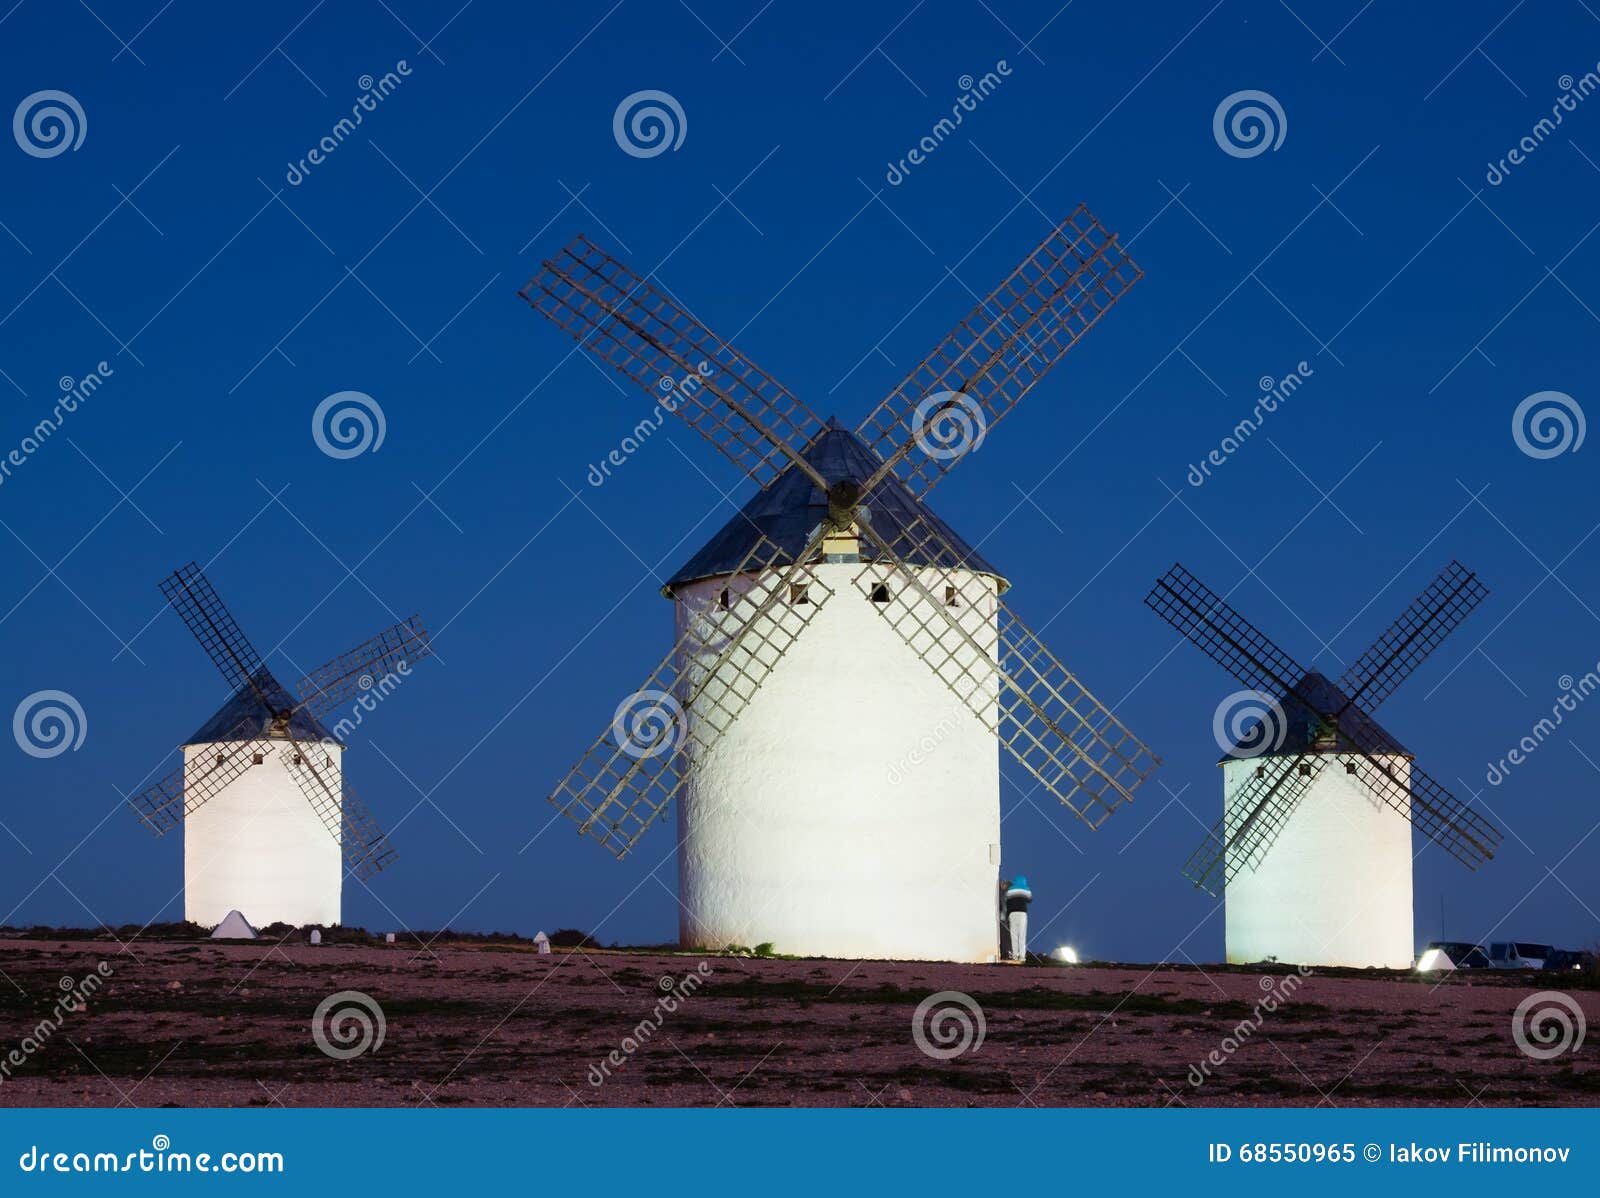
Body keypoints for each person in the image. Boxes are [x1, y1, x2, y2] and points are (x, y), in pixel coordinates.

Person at [1004, 875, 1032, 962]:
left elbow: (1007, 901)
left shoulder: (1010, 890)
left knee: (1014, 935)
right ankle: (1022, 956)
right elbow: (1029, 899)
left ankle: (1015, 956)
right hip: (1022, 914)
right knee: (1022, 935)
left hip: (1012, 914)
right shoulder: (1026, 889)